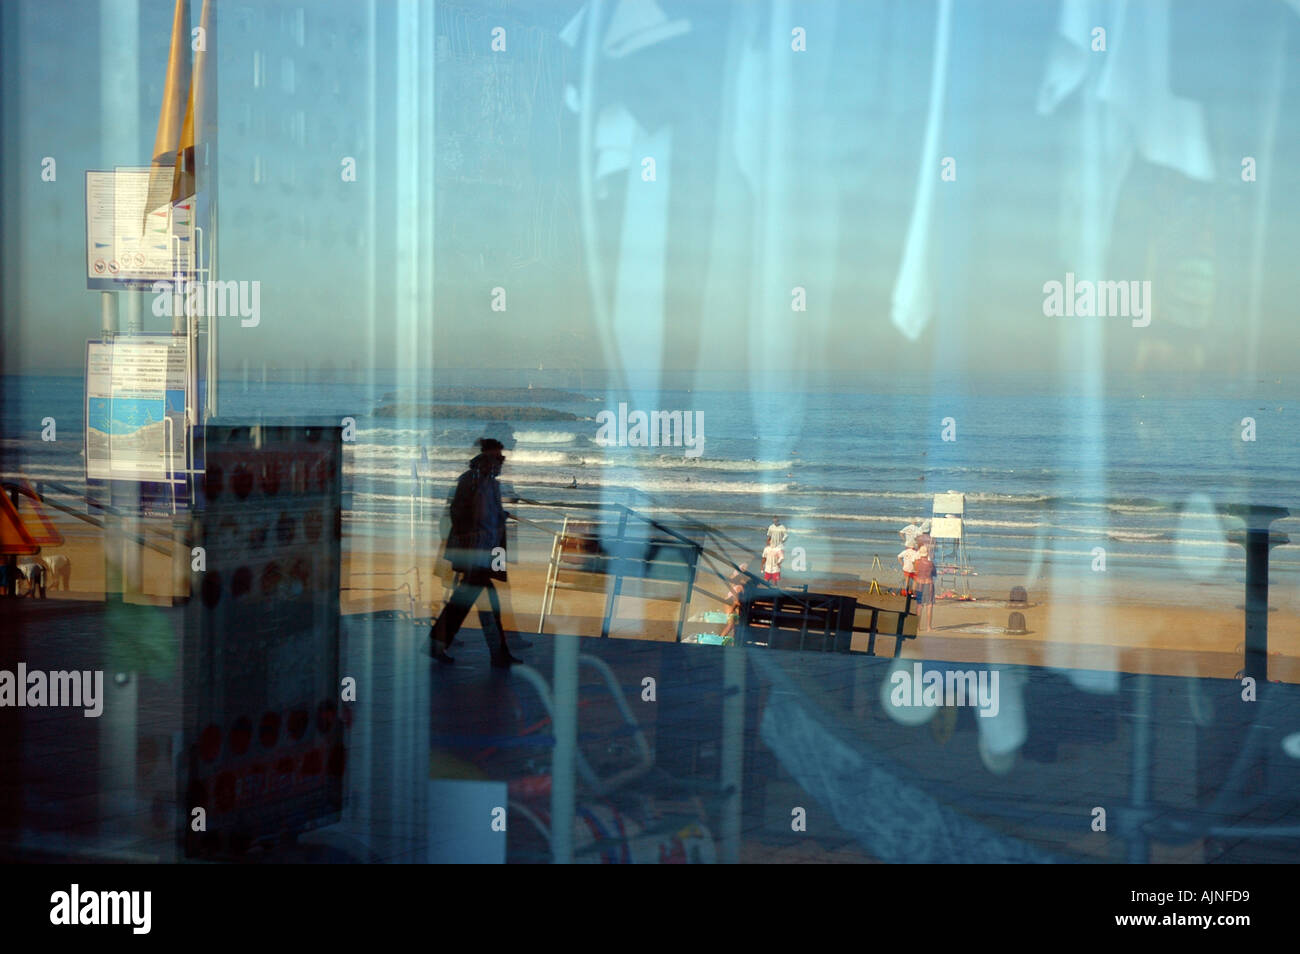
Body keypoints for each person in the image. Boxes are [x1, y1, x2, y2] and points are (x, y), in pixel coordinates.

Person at [428, 438, 522, 667]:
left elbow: (487, 517)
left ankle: (440, 645)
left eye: (502, 458)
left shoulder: (490, 484)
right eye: (498, 457)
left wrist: (501, 515)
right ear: (485, 458)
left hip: (484, 554)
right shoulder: (470, 481)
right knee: (483, 604)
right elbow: (458, 513)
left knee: (468, 603)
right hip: (474, 554)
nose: (501, 462)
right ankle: (499, 654)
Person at [912, 541, 935, 631]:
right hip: (928, 584)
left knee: (919, 605)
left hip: (919, 584)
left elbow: (915, 571)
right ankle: (928, 627)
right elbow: (934, 573)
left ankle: (918, 627)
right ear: (927, 553)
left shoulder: (916, 562)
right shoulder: (930, 563)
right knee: (929, 605)